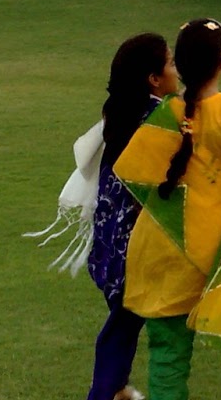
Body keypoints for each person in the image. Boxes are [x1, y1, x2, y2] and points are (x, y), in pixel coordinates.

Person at [113, 18, 221, 400]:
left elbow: (136, 180)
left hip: (161, 250)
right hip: (216, 254)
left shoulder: (166, 112)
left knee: (168, 356)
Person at [85, 34, 180, 400]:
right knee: (126, 325)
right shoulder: (157, 118)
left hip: (109, 240)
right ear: (153, 78)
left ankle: (114, 389)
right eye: (170, 64)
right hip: (136, 245)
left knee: (124, 322)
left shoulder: (118, 111)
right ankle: (106, 391)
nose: (176, 70)